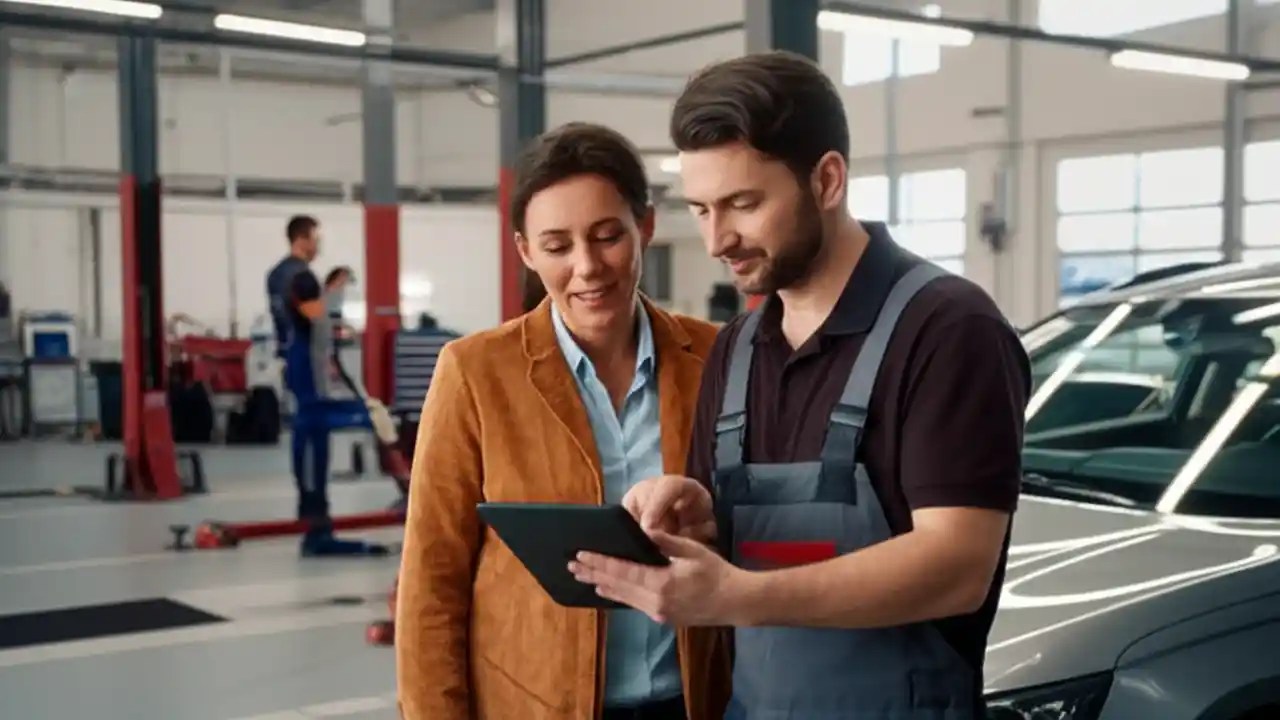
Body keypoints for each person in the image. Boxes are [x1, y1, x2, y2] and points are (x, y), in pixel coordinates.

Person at [569, 51, 1031, 719]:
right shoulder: (737, 348)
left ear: (828, 179)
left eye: (744, 204)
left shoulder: (949, 329)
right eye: (700, 209)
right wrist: (692, 518)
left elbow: (957, 566)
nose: (717, 239)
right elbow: (746, 549)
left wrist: (736, 598)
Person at [395, 122, 730, 720]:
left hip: (695, 700)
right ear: (525, 250)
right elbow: (431, 584)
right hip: (536, 704)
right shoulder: (475, 373)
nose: (587, 268)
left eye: (607, 237)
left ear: (645, 227)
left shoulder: (717, 358)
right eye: (557, 247)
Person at [266, 219, 385, 557]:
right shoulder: (301, 276)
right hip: (308, 368)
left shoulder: (275, 275)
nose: (318, 246)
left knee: (309, 436)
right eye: (316, 239)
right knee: (321, 432)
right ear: (302, 239)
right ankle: (316, 522)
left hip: (295, 363)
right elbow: (316, 316)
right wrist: (337, 289)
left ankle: (313, 517)